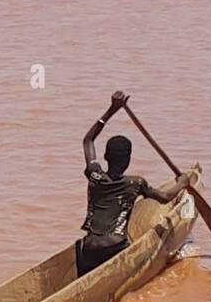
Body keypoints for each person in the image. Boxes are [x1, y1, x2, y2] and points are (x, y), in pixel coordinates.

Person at [78, 91, 196, 276]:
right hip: (115, 249)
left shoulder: (95, 175)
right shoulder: (135, 183)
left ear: (106, 157)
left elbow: (88, 140)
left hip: (89, 250)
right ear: (128, 160)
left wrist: (112, 109)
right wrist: (182, 182)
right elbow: (165, 197)